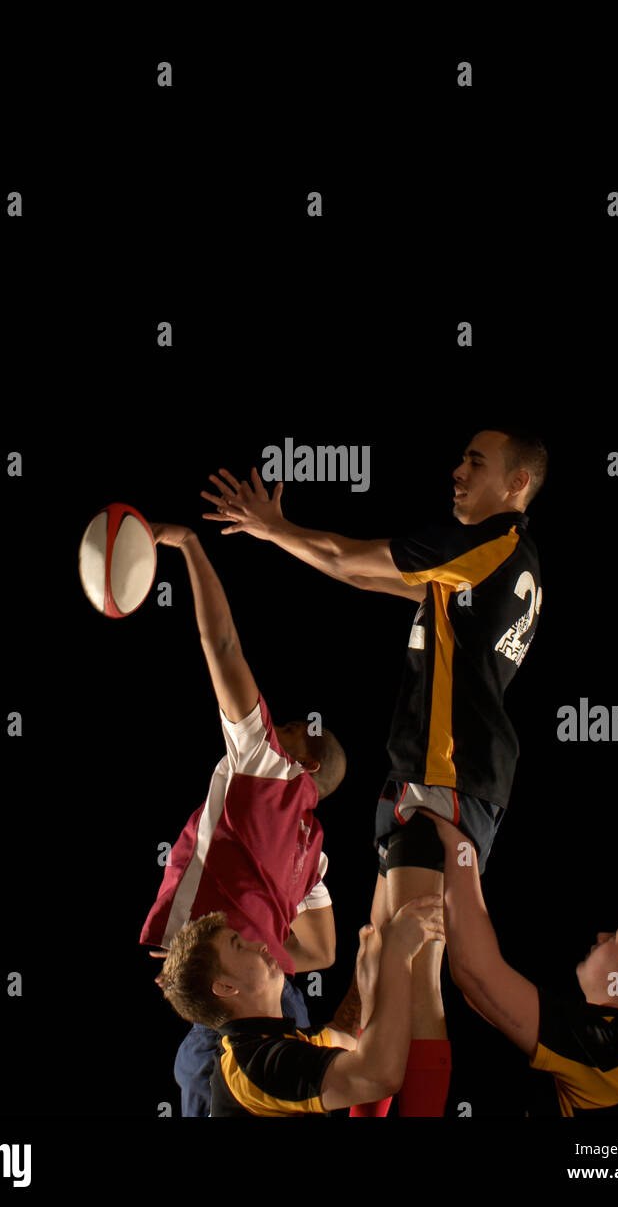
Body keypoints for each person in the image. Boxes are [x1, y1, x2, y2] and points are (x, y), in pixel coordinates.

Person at [201, 427, 547, 1116]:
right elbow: (355, 571)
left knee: (417, 976)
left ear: (517, 485)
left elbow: (346, 552)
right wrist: (275, 537)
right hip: (435, 783)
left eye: (474, 461)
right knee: (389, 974)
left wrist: (275, 526)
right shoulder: (469, 570)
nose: (456, 470)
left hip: (446, 781)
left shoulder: (491, 546)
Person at [140, 522, 347, 1115]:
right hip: (280, 1015)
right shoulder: (314, 850)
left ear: (302, 759)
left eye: (282, 730)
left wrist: (189, 546)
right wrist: (244, 953)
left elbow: (223, 645)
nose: (269, 730)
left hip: (237, 1024)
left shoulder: (266, 771)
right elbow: (322, 952)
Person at [425, 809, 618, 1116]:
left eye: (616, 936)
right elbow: (481, 996)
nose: (602, 936)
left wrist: (459, 831)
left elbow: (478, 975)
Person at [155, 896, 443, 1116]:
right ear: (226, 988)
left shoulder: (266, 1045)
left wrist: (365, 982)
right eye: (239, 946)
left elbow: (349, 1041)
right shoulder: (255, 1066)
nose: (261, 945)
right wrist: (396, 954)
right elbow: (378, 1076)